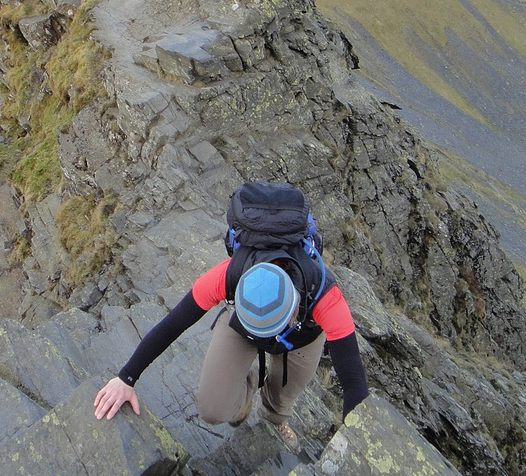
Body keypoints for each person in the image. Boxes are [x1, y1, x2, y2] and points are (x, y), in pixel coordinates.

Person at [94, 181, 369, 451]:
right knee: (213, 409)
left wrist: (353, 443)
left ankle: (275, 418)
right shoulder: (228, 275)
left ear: (294, 306)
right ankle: (248, 387)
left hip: (303, 337)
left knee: (284, 394)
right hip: (243, 326)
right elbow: (172, 325)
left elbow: (353, 380)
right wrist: (126, 379)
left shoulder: (324, 295)